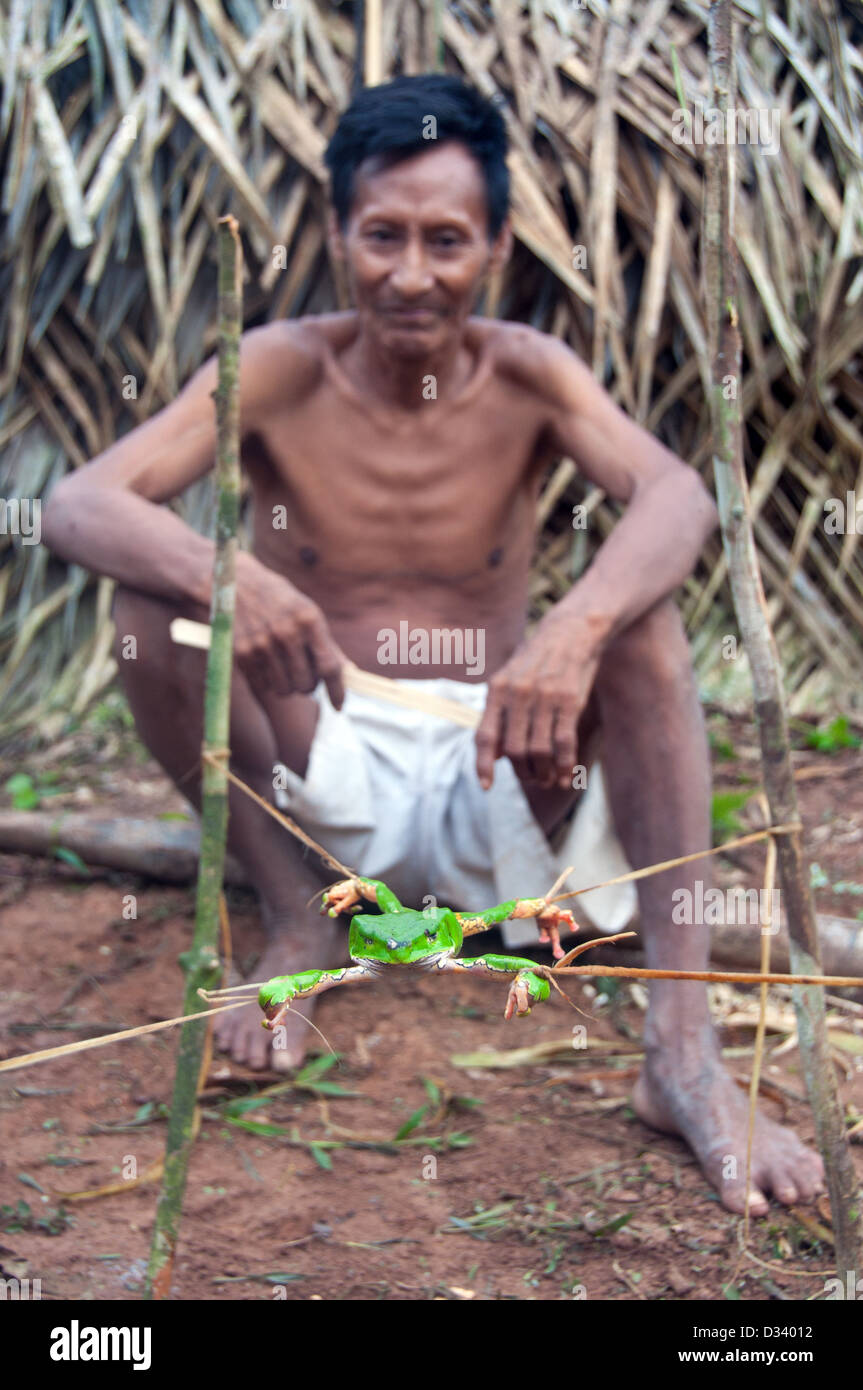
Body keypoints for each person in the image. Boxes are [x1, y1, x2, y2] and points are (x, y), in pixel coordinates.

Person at [41, 74, 824, 1216]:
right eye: (383, 236)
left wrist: (573, 628)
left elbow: (675, 497)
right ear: (335, 235)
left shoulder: (528, 374)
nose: (412, 273)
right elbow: (79, 503)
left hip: (499, 772)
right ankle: (301, 916)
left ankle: (683, 1054)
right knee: (146, 606)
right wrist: (230, 572)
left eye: (445, 239)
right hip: (324, 763)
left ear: (496, 243)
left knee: (638, 627)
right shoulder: (278, 367)